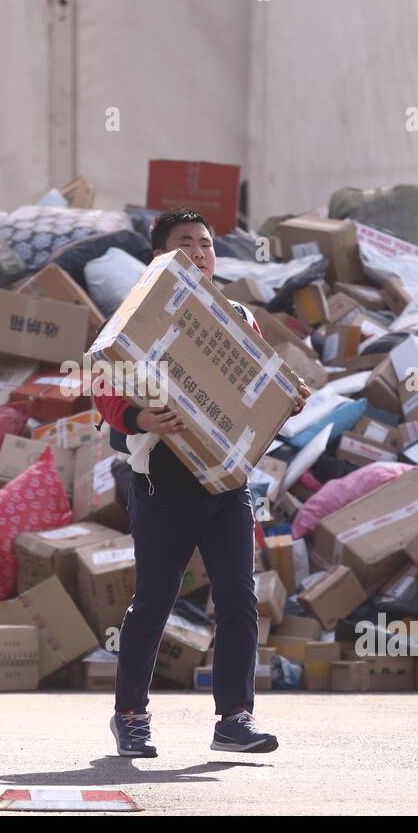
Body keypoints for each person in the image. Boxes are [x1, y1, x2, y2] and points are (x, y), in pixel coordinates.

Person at [92, 208, 310, 758]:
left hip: (226, 485)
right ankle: (131, 716)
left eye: (206, 243)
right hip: (163, 486)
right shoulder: (136, 316)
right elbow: (104, 384)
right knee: (155, 602)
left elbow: (253, 389)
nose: (198, 251)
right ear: (161, 256)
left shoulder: (237, 315)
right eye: (184, 242)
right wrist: (141, 419)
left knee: (239, 599)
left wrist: (288, 398)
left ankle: (234, 718)